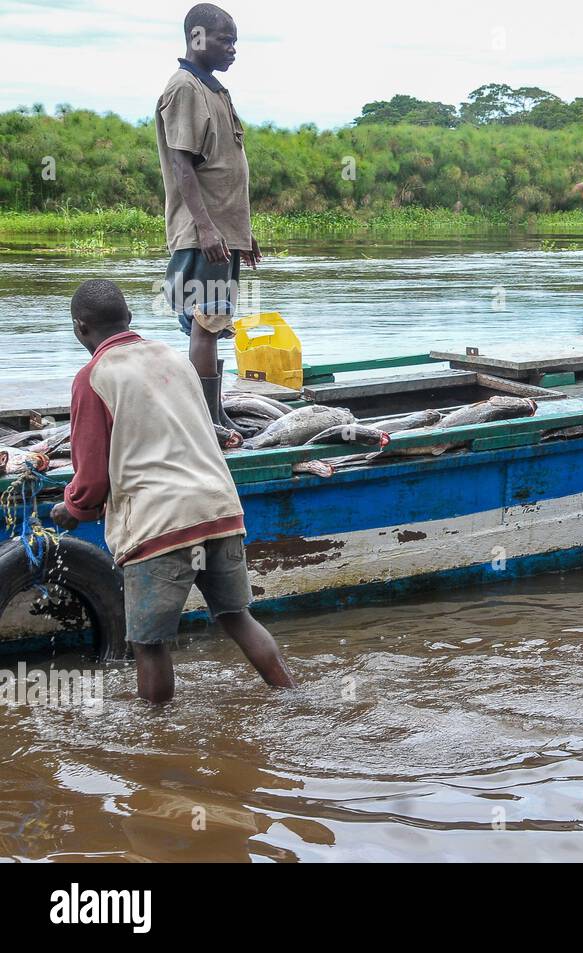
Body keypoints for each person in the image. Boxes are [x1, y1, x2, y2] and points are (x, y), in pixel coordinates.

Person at [49, 280, 295, 704]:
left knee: (149, 643)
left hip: (159, 526)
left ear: (80, 329)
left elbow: (90, 480)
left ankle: (156, 744)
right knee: (238, 618)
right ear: (128, 319)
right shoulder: (172, 357)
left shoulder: (94, 378)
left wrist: (73, 509)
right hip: (219, 511)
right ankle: (294, 697)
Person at [156, 3, 259, 431]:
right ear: (196, 37)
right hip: (203, 235)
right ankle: (206, 422)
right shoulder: (184, 88)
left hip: (221, 234)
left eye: (235, 41)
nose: (232, 49)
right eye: (224, 40)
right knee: (205, 320)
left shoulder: (215, 89)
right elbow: (183, 167)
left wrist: (242, 234)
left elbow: (225, 168)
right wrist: (206, 227)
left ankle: (212, 413)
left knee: (214, 323)